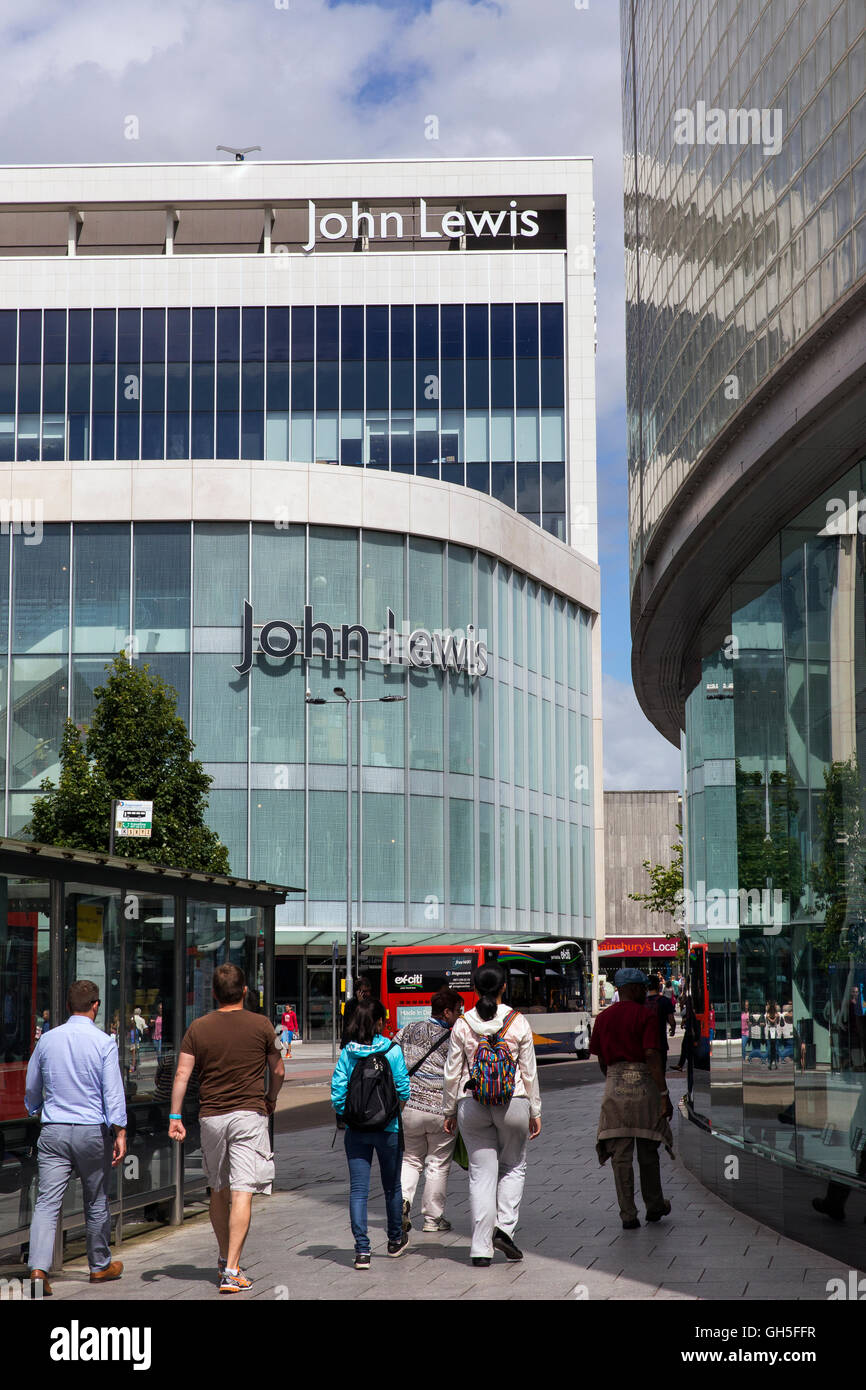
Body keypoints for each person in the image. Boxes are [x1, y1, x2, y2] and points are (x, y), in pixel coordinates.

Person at [169, 962, 285, 1293]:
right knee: (242, 1189)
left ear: (214, 994)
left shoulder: (198, 1028)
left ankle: (223, 1258)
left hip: (212, 1118)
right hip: (249, 1114)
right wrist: (271, 1099)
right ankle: (232, 1269)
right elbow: (277, 1070)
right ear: (245, 991)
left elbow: (182, 1074)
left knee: (217, 1188)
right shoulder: (262, 1025)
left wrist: (175, 1117)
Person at [24, 979, 127, 1296]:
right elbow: (113, 1092)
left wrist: (36, 1109)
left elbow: (31, 1086)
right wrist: (120, 1130)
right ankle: (99, 1266)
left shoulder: (48, 1040)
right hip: (91, 1132)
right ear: (95, 1006)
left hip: (54, 1130)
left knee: (47, 1202)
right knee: (96, 1199)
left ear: (68, 1007)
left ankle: (39, 1270)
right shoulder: (104, 1042)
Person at [443, 963, 541, 1267]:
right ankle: (504, 1230)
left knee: (481, 1174)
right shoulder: (518, 1021)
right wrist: (535, 1110)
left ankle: (480, 1248)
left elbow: (451, 1073)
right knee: (513, 1165)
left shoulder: (462, 1023)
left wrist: (449, 1110)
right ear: (503, 988)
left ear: (474, 988)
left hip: (471, 1103)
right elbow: (529, 1071)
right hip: (513, 1102)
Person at [589, 967, 673, 1230]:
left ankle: (628, 1214)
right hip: (645, 1086)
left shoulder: (604, 1018)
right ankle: (654, 1204)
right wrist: (663, 1094)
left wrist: (614, 1077)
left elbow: (601, 1058)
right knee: (648, 1150)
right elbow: (651, 1054)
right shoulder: (645, 1015)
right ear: (635, 989)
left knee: (620, 1155)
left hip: (615, 1088)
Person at [331, 997, 411, 1269]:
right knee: (392, 1187)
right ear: (379, 1022)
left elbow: (337, 1095)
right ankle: (394, 1241)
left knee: (358, 1191)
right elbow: (404, 1090)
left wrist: (352, 1115)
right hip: (388, 1128)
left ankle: (362, 1251)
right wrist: (389, 1111)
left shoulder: (347, 1053)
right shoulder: (392, 1050)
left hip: (356, 1132)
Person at [396, 987, 463, 1234]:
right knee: (437, 1163)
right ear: (446, 1012)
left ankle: (402, 1203)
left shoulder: (409, 1029)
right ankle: (433, 1219)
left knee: (410, 1160)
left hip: (409, 1109)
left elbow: (393, 1057)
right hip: (441, 1112)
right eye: (458, 1011)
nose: (460, 1015)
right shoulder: (456, 1037)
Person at [645, 973, 676, 1073]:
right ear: (659, 986)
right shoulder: (664, 1001)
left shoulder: (642, 1002)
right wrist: (673, 1029)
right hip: (660, 1043)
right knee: (660, 1070)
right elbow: (672, 1021)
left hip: (645, 1044)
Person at [340, 975, 373, 1047]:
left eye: (369, 991)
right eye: (364, 991)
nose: (368, 994)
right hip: (352, 1042)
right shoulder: (350, 1004)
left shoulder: (371, 1003)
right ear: (358, 992)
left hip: (366, 1041)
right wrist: (361, 1004)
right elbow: (351, 1023)